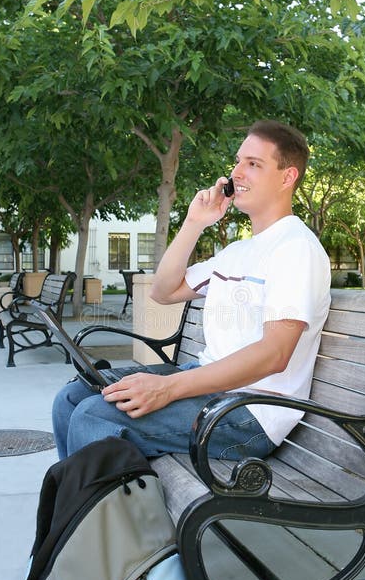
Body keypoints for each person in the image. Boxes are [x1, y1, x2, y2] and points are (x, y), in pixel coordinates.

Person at [52, 120, 331, 462]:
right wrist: (195, 221)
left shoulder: (295, 248)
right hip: (210, 387)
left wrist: (167, 388)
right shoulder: (238, 253)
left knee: (95, 414)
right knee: (73, 397)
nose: (236, 174)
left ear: (287, 177)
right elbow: (163, 291)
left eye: (254, 164)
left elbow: (275, 353)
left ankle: (101, 513)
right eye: (239, 161)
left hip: (251, 412)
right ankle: (81, 510)